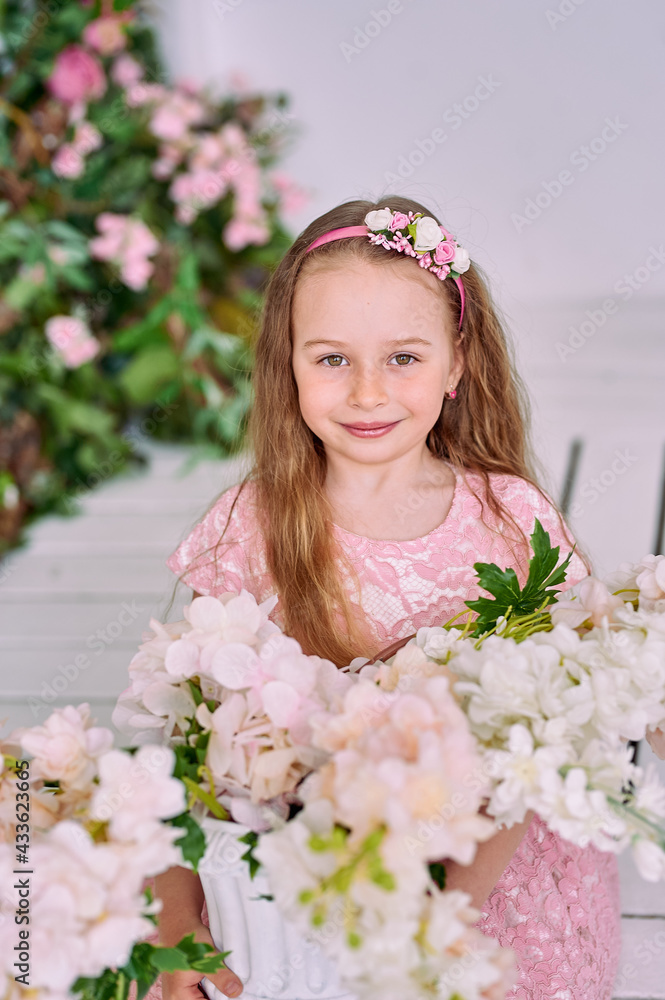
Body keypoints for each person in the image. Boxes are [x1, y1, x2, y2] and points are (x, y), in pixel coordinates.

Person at [148, 197, 622, 1000]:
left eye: (403, 357)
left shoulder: (510, 524)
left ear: (457, 361)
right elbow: (183, 758)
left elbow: (540, 747)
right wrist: (177, 925)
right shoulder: (248, 529)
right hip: (309, 907)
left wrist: (427, 933)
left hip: (487, 907)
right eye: (331, 359)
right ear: (286, 364)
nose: (368, 391)